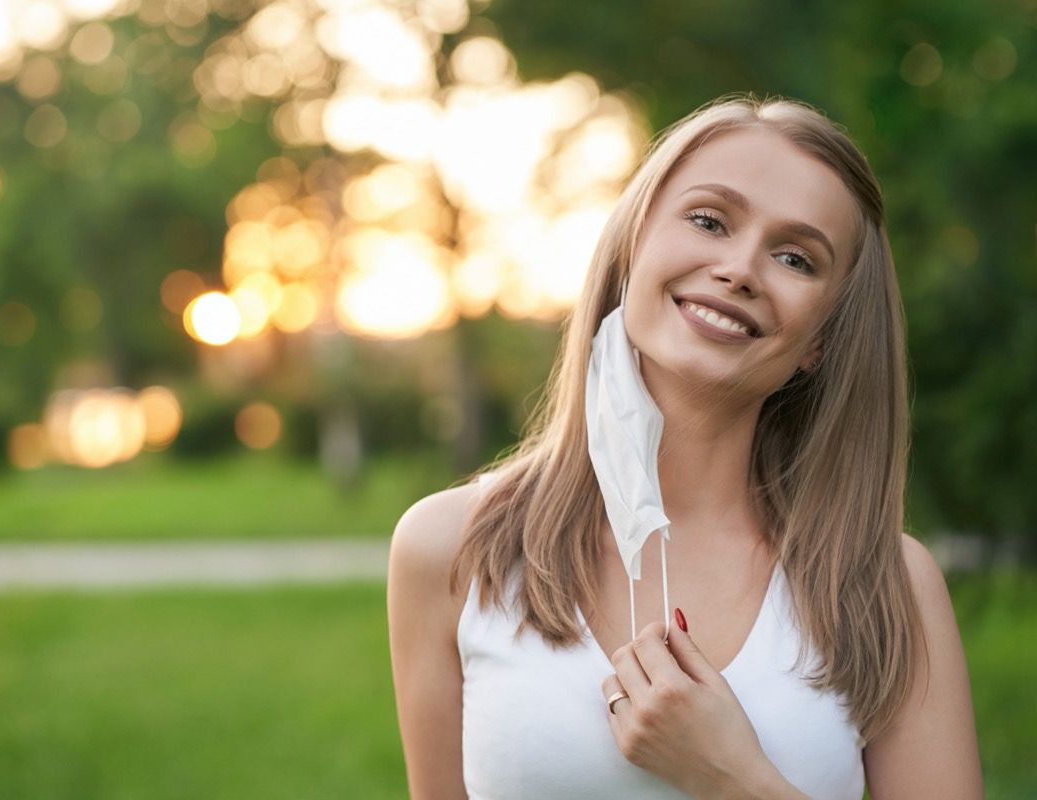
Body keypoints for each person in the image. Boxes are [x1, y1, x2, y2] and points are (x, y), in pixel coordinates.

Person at [387, 94, 983, 799]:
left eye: (795, 258)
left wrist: (731, 776)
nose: (739, 269)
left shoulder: (887, 584)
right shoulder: (450, 549)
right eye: (709, 220)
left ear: (821, 341)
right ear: (635, 244)